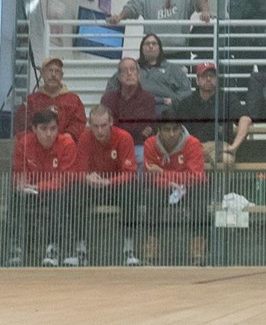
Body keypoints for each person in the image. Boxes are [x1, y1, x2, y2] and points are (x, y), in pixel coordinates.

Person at [5, 109, 80, 266]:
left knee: (60, 197)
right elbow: (19, 171)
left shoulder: (67, 144)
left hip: (59, 192)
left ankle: (53, 247)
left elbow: (65, 178)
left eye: (53, 129)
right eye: (44, 129)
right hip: (31, 191)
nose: (49, 134)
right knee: (15, 197)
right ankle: (16, 248)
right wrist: (21, 184)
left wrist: (39, 186)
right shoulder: (24, 143)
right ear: (34, 129)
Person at [74, 105, 141, 266]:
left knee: (130, 191)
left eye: (103, 125)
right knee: (75, 192)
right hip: (93, 187)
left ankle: (128, 248)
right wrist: (87, 178)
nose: (99, 130)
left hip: (116, 187)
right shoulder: (84, 138)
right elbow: (79, 170)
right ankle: (80, 248)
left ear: (111, 122)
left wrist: (109, 182)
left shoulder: (124, 137)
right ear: (90, 124)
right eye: (95, 126)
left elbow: (130, 172)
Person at [141, 113, 209, 265]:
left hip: (192, 189)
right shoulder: (150, 144)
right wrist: (169, 182)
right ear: (159, 130)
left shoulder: (193, 143)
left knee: (199, 202)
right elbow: (150, 177)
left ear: (180, 129)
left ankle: (198, 249)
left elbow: (196, 176)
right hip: (162, 189)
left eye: (175, 129)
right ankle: (151, 249)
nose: (172, 134)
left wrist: (163, 173)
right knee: (152, 199)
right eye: (167, 130)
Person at [173, 62, 253, 169]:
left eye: (212, 76)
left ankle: (222, 186)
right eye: (204, 76)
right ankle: (191, 186)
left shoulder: (227, 99)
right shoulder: (187, 103)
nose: (209, 79)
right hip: (193, 146)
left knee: (227, 160)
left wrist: (234, 146)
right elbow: (178, 131)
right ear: (197, 80)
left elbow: (245, 119)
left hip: (219, 146)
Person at [105, 33, 192, 114]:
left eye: (154, 44)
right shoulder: (131, 68)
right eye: (147, 44)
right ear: (142, 48)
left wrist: (173, 100)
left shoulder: (173, 69)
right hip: (135, 110)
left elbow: (187, 92)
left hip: (164, 110)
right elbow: (111, 88)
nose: (151, 46)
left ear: (159, 48)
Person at [16, 56, 86, 140]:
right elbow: (21, 127)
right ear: (42, 73)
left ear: (62, 75)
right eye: (50, 70)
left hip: (65, 149)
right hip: (38, 149)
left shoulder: (73, 100)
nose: (53, 75)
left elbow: (79, 124)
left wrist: (68, 136)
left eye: (57, 71)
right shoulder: (31, 101)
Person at [101, 57, 159, 153]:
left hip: (138, 145)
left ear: (138, 75)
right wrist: (137, 130)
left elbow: (145, 126)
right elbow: (107, 127)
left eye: (132, 69)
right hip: (114, 145)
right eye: (124, 70)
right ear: (119, 77)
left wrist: (120, 125)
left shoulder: (148, 99)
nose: (129, 73)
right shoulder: (108, 99)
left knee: (142, 157)